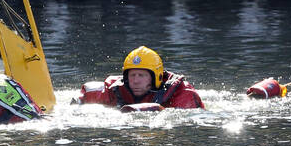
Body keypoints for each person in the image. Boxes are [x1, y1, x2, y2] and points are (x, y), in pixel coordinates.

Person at [75, 46, 204, 111]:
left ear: (157, 77)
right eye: (132, 75)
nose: (135, 81)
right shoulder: (114, 89)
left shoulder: (182, 93)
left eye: (141, 75)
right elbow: (77, 104)